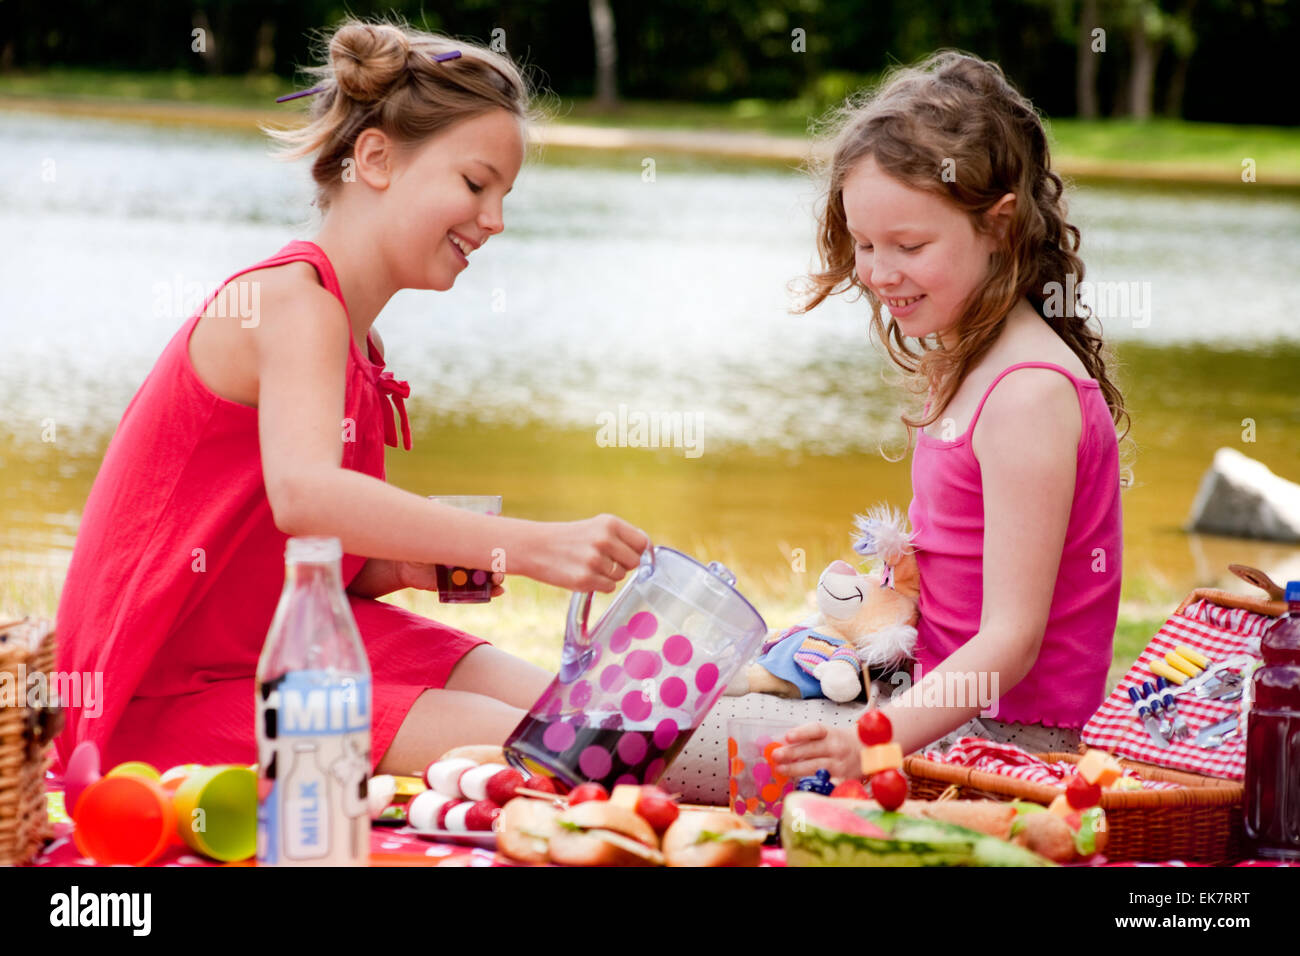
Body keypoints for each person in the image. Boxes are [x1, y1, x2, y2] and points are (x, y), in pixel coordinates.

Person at [53, 18, 647, 779]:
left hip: (274, 640)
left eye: (504, 195)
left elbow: (292, 547)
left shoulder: (357, 342)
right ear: (375, 158)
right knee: (561, 757)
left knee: (594, 722)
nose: (495, 221)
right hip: (165, 696)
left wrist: (396, 565)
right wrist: (535, 546)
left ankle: (759, 756)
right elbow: (305, 495)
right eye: (475, 184)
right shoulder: (295, 304)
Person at [773, 51, 1131, 782]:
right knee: (699, 698)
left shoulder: (1027, 394)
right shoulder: (971, 359)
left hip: (1002, 747)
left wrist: (873, 739)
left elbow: (1010, 643)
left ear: (999, 226)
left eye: (908, 246)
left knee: (676, 741)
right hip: (931, 706)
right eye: (864, 244)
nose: (877, 272)